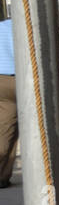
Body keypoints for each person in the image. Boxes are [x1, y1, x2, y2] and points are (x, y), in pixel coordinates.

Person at [0, 16, 14, 188]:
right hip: (26, 80)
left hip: (2, 81)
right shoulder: (28, 27)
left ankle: (2, 176)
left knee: (6, 129)